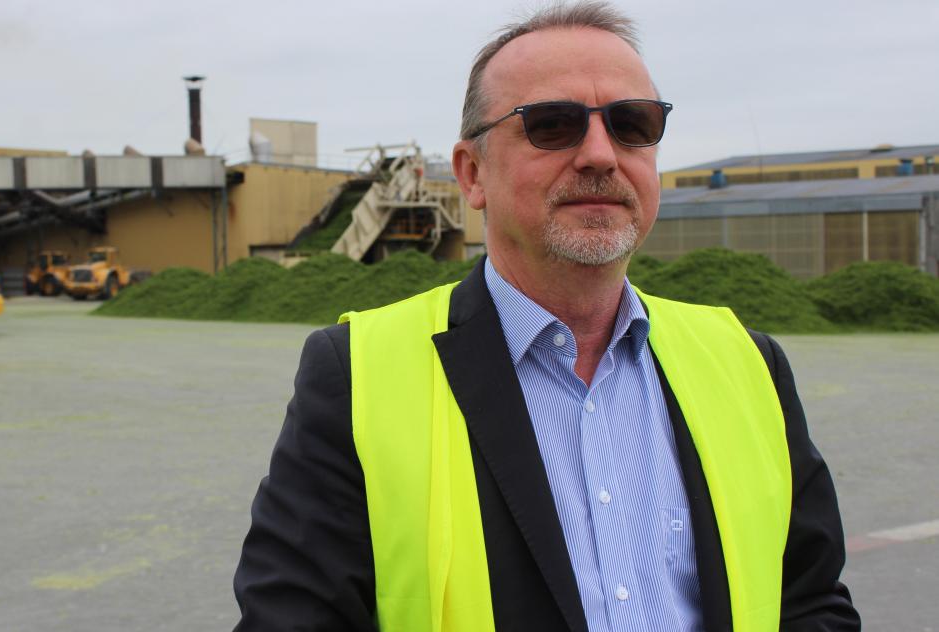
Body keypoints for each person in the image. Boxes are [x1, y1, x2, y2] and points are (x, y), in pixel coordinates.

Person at [233, 2, 860, 630]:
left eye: (631, 124)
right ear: (472, 174)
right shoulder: (356, 376)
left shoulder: (748, 364)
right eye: (553, 125)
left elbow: (809, 601)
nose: (600, 154)